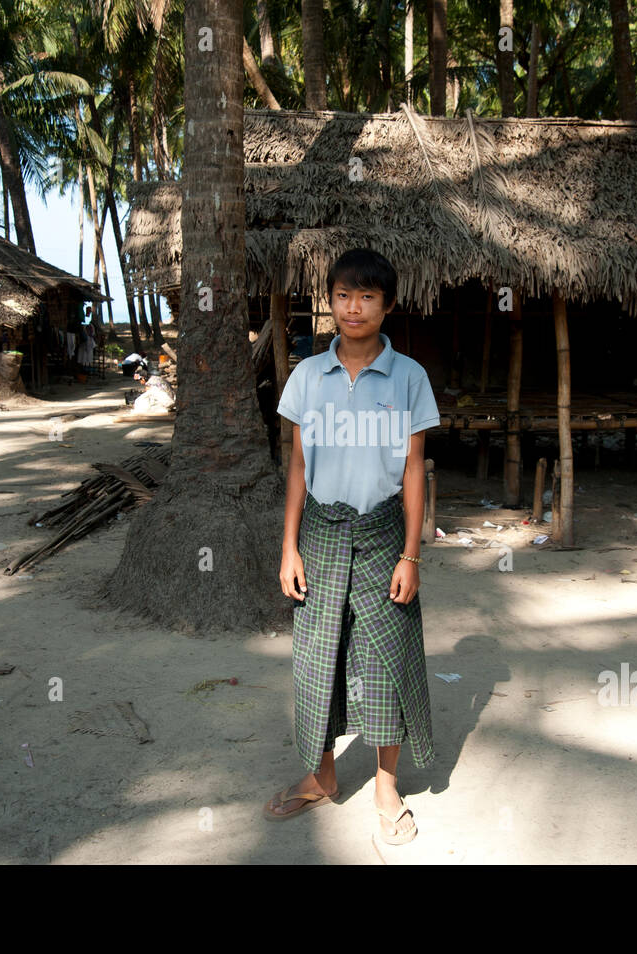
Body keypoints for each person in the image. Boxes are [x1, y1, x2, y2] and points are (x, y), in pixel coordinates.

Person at [265, 248, 441, 846]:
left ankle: (388, 789)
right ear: (330, 302)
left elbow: (415, 469)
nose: (353, 307)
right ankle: (322, 777)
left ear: (388, 305)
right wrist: (289, 547)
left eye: (367, 296)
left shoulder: (410, 377)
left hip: (384, 534)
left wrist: (411, 555)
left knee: (386, 666)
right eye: (343, 295)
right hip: (319, 535)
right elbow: (297, 467)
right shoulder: (307, 377)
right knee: (319, 662)